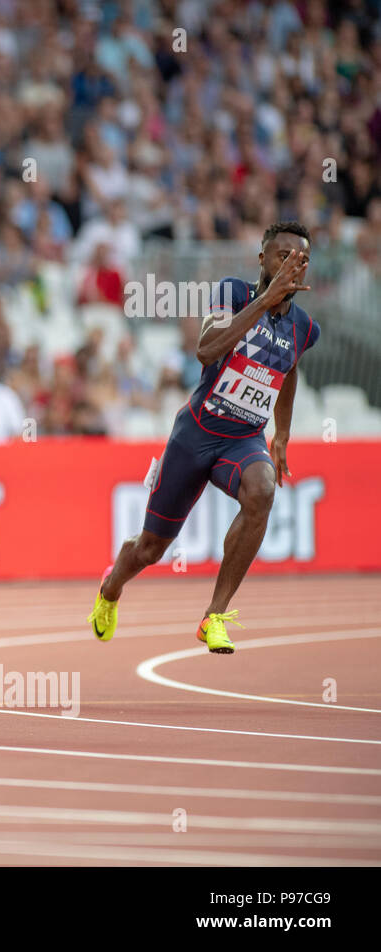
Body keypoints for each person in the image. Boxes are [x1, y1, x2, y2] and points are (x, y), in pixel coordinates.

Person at [88, 222, 318, 653]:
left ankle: (215, 615)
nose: (292, 265)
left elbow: (290, 369)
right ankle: (111, 588)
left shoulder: (304, 328)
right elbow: (207, 349)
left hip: (243, 441)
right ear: (262, 260)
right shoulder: (233, 293)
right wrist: (266, 302)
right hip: (195, 434)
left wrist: (282, 433)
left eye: (301, 259)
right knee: (151, 548)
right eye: (282, 256)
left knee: (263, 490)